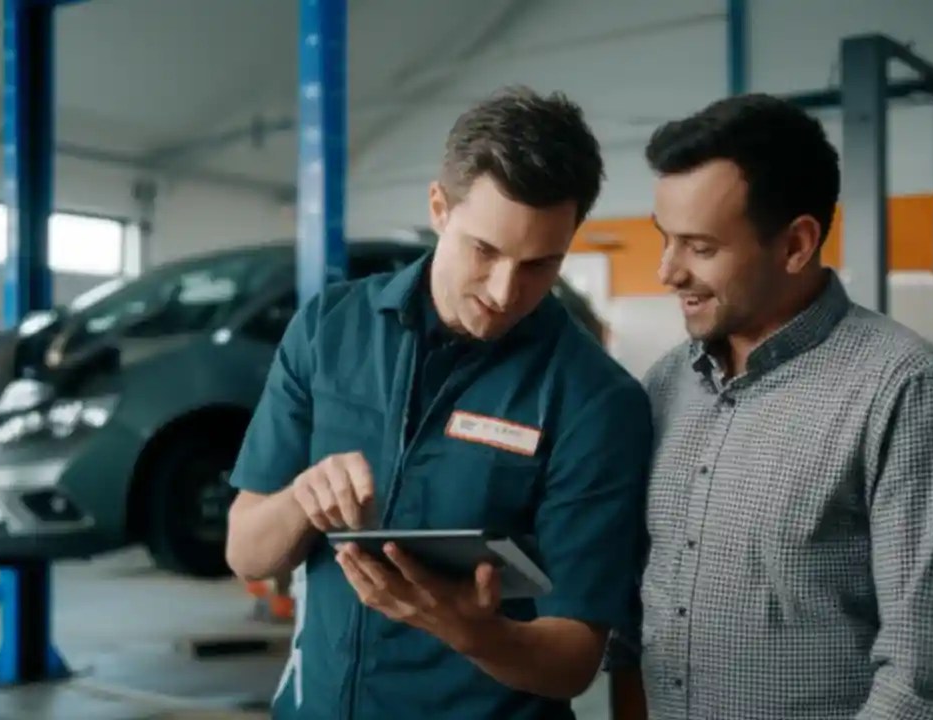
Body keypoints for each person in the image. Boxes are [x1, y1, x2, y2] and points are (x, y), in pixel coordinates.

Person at [225, 86, 652, 719]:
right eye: (486, 251)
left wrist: (475, 633)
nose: (506, 291)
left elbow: (575, 658)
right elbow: (246, 552)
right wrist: (301, 500)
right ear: (439, 207)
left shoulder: (594, 400)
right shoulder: (329, 330)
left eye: (541, 264)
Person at [633, 93, 933, 719]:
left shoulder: (908, 394)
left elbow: (923, 684)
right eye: (664, 239)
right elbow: (639, 619)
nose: (667, 272)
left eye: (700, 247)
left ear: (797, 244)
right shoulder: (666, 385)